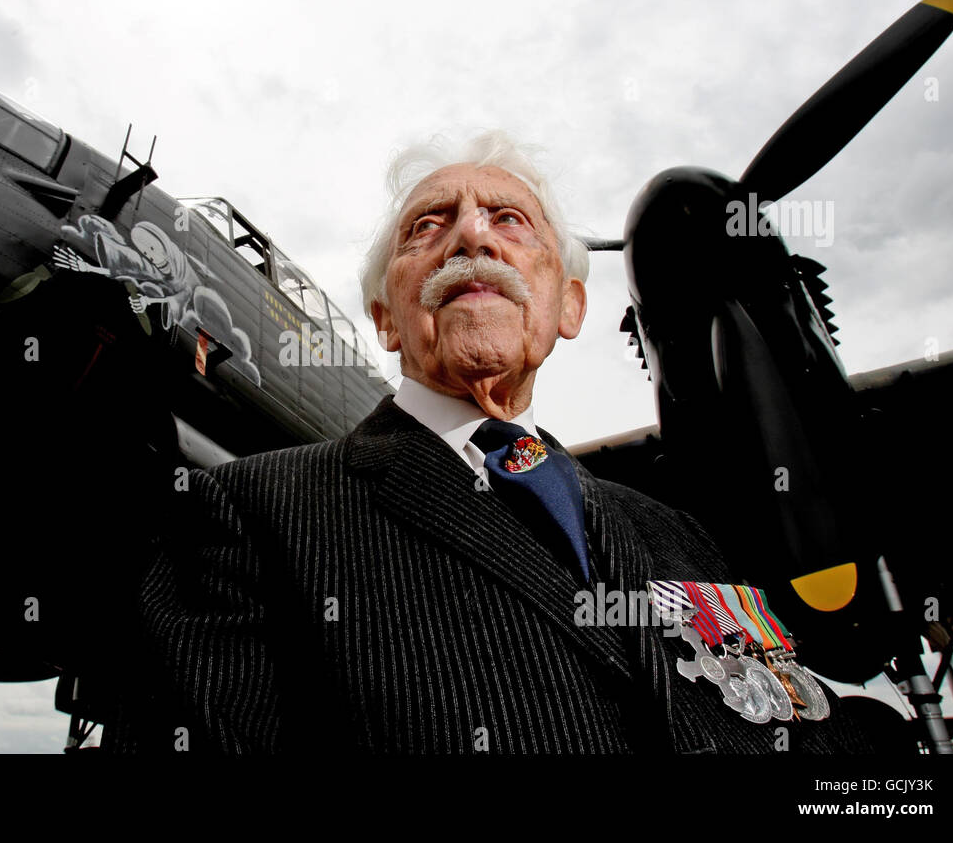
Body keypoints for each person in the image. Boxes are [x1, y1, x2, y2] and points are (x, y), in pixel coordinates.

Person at [106, 130, 870, 755]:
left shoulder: (675, 531)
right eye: (428, 226)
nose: (472, 234)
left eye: (511, 221)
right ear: (383, 316)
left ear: (569, 306)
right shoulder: (242, 516)